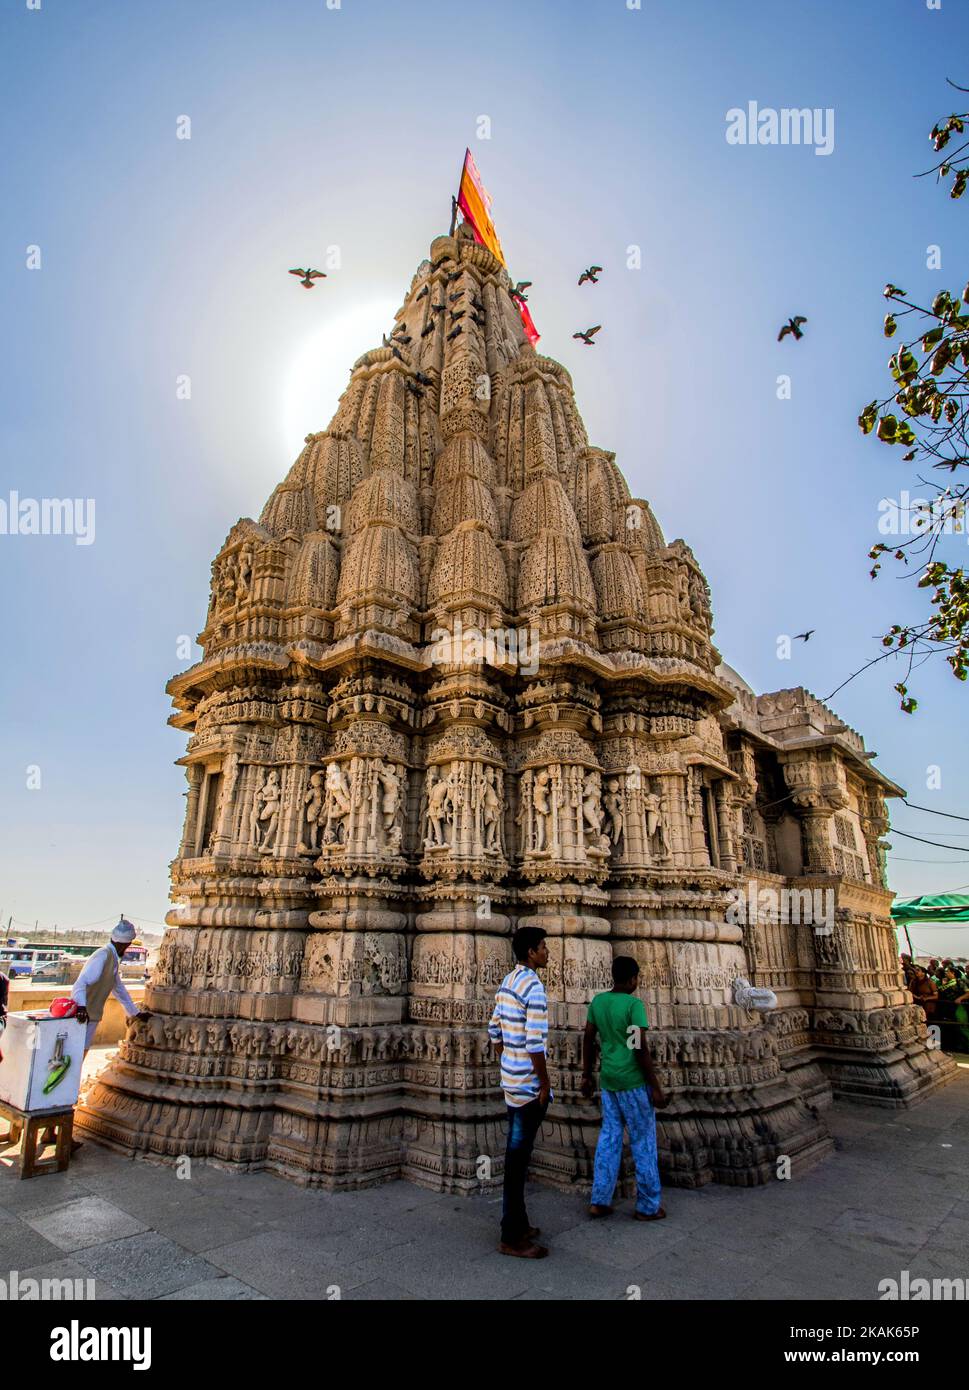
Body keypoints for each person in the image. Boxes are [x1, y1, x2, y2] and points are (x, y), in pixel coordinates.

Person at [581, 956, 669, 1221]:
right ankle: (648, 1205)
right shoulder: (633, 1005)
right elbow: (639, 1047)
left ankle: (599, 1200)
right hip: (632, 1082)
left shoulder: (598, 1002)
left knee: (609, 1137)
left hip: (609, 1080)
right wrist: (655, 1087)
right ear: (632, 979)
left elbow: (587, 1037)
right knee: (643, 1141)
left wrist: (586, 1074)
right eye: (637, 978)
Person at [488, 926, 551, 1259]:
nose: (547, 952)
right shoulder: (535, 988)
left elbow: (493, 1030)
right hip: (527, 1087)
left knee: (517, 1158)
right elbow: (535, 1042)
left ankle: (520, 1223)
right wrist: (544, 1083)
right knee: (517, 1161)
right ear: (531, 952)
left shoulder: (508, 982)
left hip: (510, 1082)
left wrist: (507, 1062)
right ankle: (512, 1237)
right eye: (543, 947)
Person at [72, 918, 151, 1053]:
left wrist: (136, 1013)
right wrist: (81, 1007)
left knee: (81, 1051)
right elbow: (81, 983)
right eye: (127, 946)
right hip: (82, 1014)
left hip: (91, 1014)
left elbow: (119, 990)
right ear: (124, 944)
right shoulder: (103, 955)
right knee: (75, 1052)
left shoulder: (113, 959)